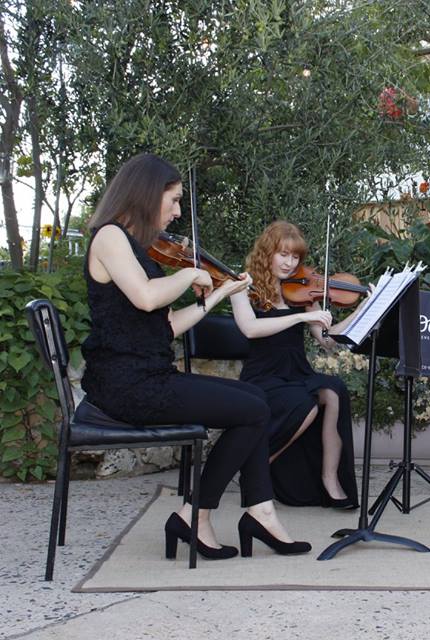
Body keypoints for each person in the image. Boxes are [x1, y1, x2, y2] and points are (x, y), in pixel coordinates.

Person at [81, 153, 310, 560]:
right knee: (254, 409)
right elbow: (147, 298)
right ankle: (203, 514)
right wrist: (189, 275)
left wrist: (220, 294)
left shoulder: (138, 248)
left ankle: (252, 511)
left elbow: (166, 325)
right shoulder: (110, 237)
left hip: (149, 375)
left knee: (254, 403)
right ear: (147, 194)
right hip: (126, 385)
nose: (177, 211)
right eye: (173, 200)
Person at [230, 221, 359, 508]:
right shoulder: (243, 287)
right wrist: (300, 318)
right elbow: (250, 329)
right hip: (263, 376)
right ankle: (258, 466)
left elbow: (328, 340)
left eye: (296, 257)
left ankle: (330, 480)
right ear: (267, 252)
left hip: (296, 371)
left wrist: (364, 308)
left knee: (334, 390)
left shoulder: (302, 291)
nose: (290, 263)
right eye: (283, 254)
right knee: (305, 403)